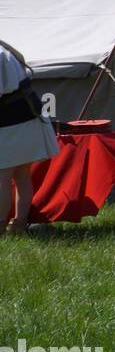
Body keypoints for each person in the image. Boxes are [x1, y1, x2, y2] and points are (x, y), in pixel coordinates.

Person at [0, 39, 59, 234]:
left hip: (12, 122)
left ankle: (2, 225)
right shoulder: (4, 51)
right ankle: (18, 223)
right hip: (27, 118)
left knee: (3, 176)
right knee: (22, 175)